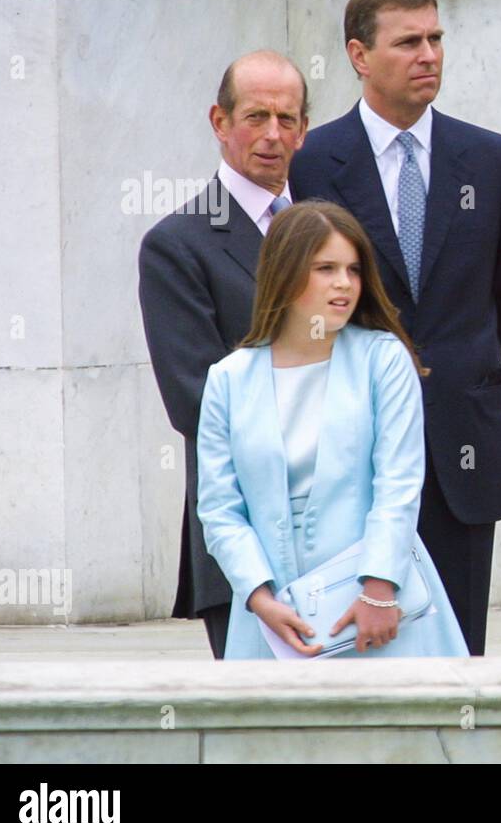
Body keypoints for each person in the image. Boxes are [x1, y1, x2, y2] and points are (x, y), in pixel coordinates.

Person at [289, 0, 501, 656]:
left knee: (458, 657)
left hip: (461, 443)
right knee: (350, 658)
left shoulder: (494, 159)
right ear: (360, 56)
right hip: (349, 449)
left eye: (436, 39)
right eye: (408, 42)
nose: (429, 55)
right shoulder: (310, 164)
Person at [196, 200, 467, 659]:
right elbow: (220, 508)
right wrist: (260, 600)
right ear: (284, 273)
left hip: (374, 603)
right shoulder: (229, 378)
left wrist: (380, 587)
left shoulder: (382, 359)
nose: (344, 283)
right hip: (272, 618)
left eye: (354, 269)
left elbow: (398, 485)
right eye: (325, 268)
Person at [138, 51, 309, 658]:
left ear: (305, 129)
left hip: (343, 535)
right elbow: (196, 401)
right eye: (255, 116)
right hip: (247, 531)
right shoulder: (177, 245)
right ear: (219, 120)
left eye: (287, 119)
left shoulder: (332, 233)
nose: (272, 135)